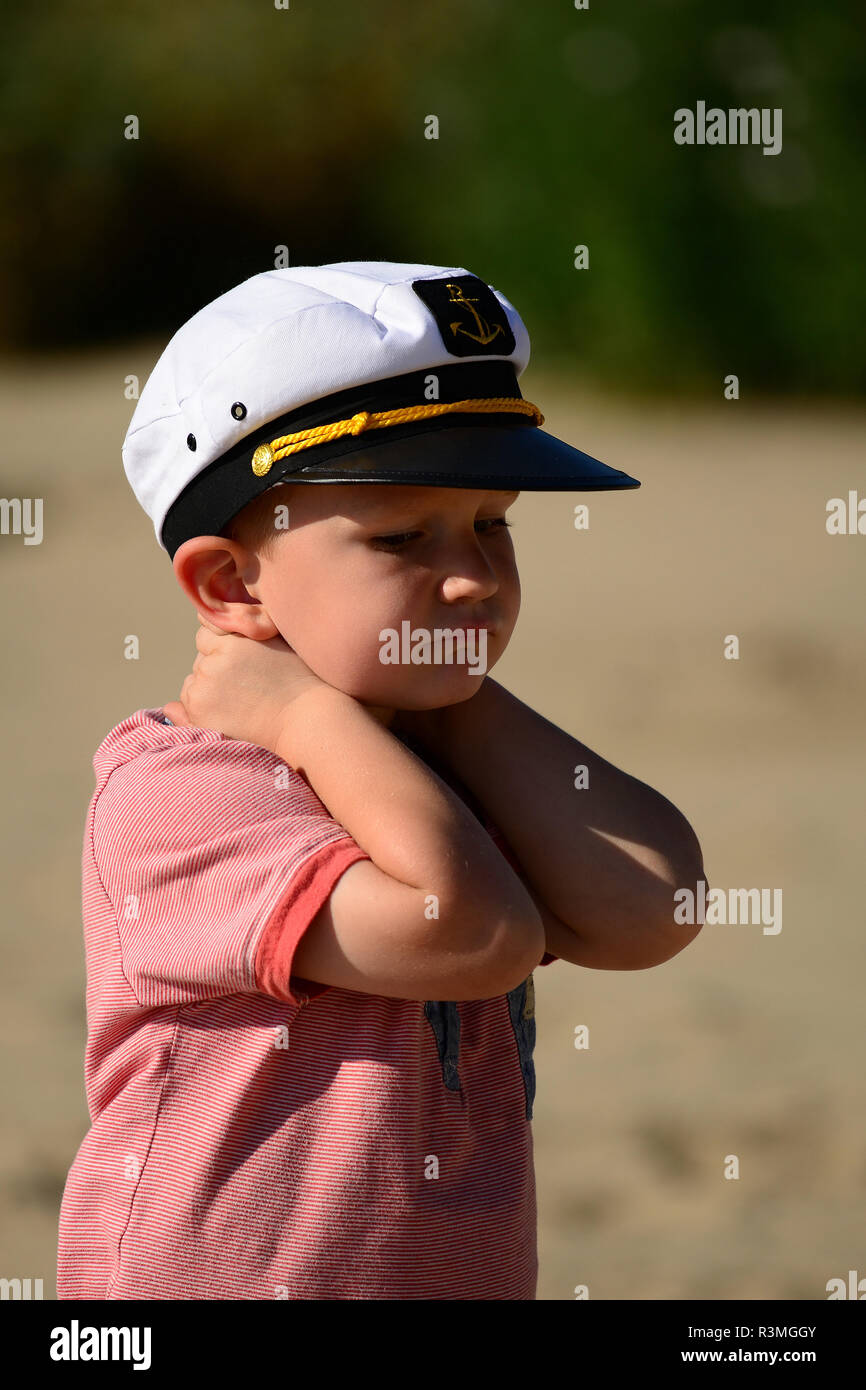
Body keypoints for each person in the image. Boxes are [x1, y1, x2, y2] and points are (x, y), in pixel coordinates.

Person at [57, 261, 707, 1299]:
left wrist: (455, 691)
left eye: (491, 521)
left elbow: (653, 904)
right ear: (230, 583)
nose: (473, 577)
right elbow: (470, 931)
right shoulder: (177, 795)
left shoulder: (441, 744)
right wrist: (312, 712)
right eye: (403, 537)